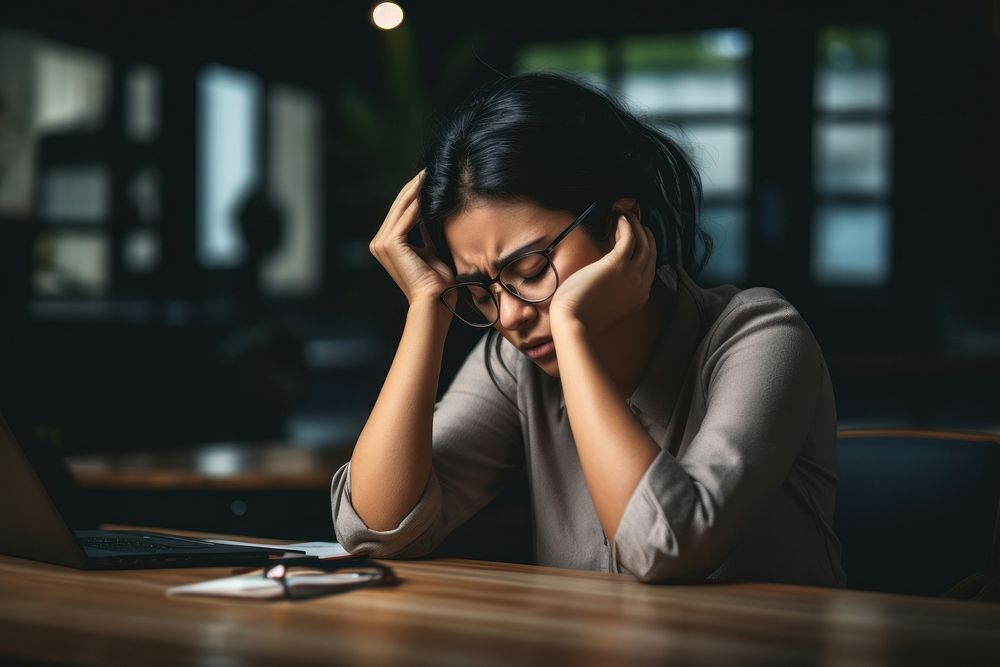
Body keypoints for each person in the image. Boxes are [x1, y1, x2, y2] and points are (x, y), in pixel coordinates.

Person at [331, 72, 846, 586]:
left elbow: (665, 545)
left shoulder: (761, 337)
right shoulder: (516, 364)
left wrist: (572, 329)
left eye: (531, 269)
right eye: (482, 293)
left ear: (619, 224)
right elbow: (375, 528)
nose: (508, 317)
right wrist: (426, 305)